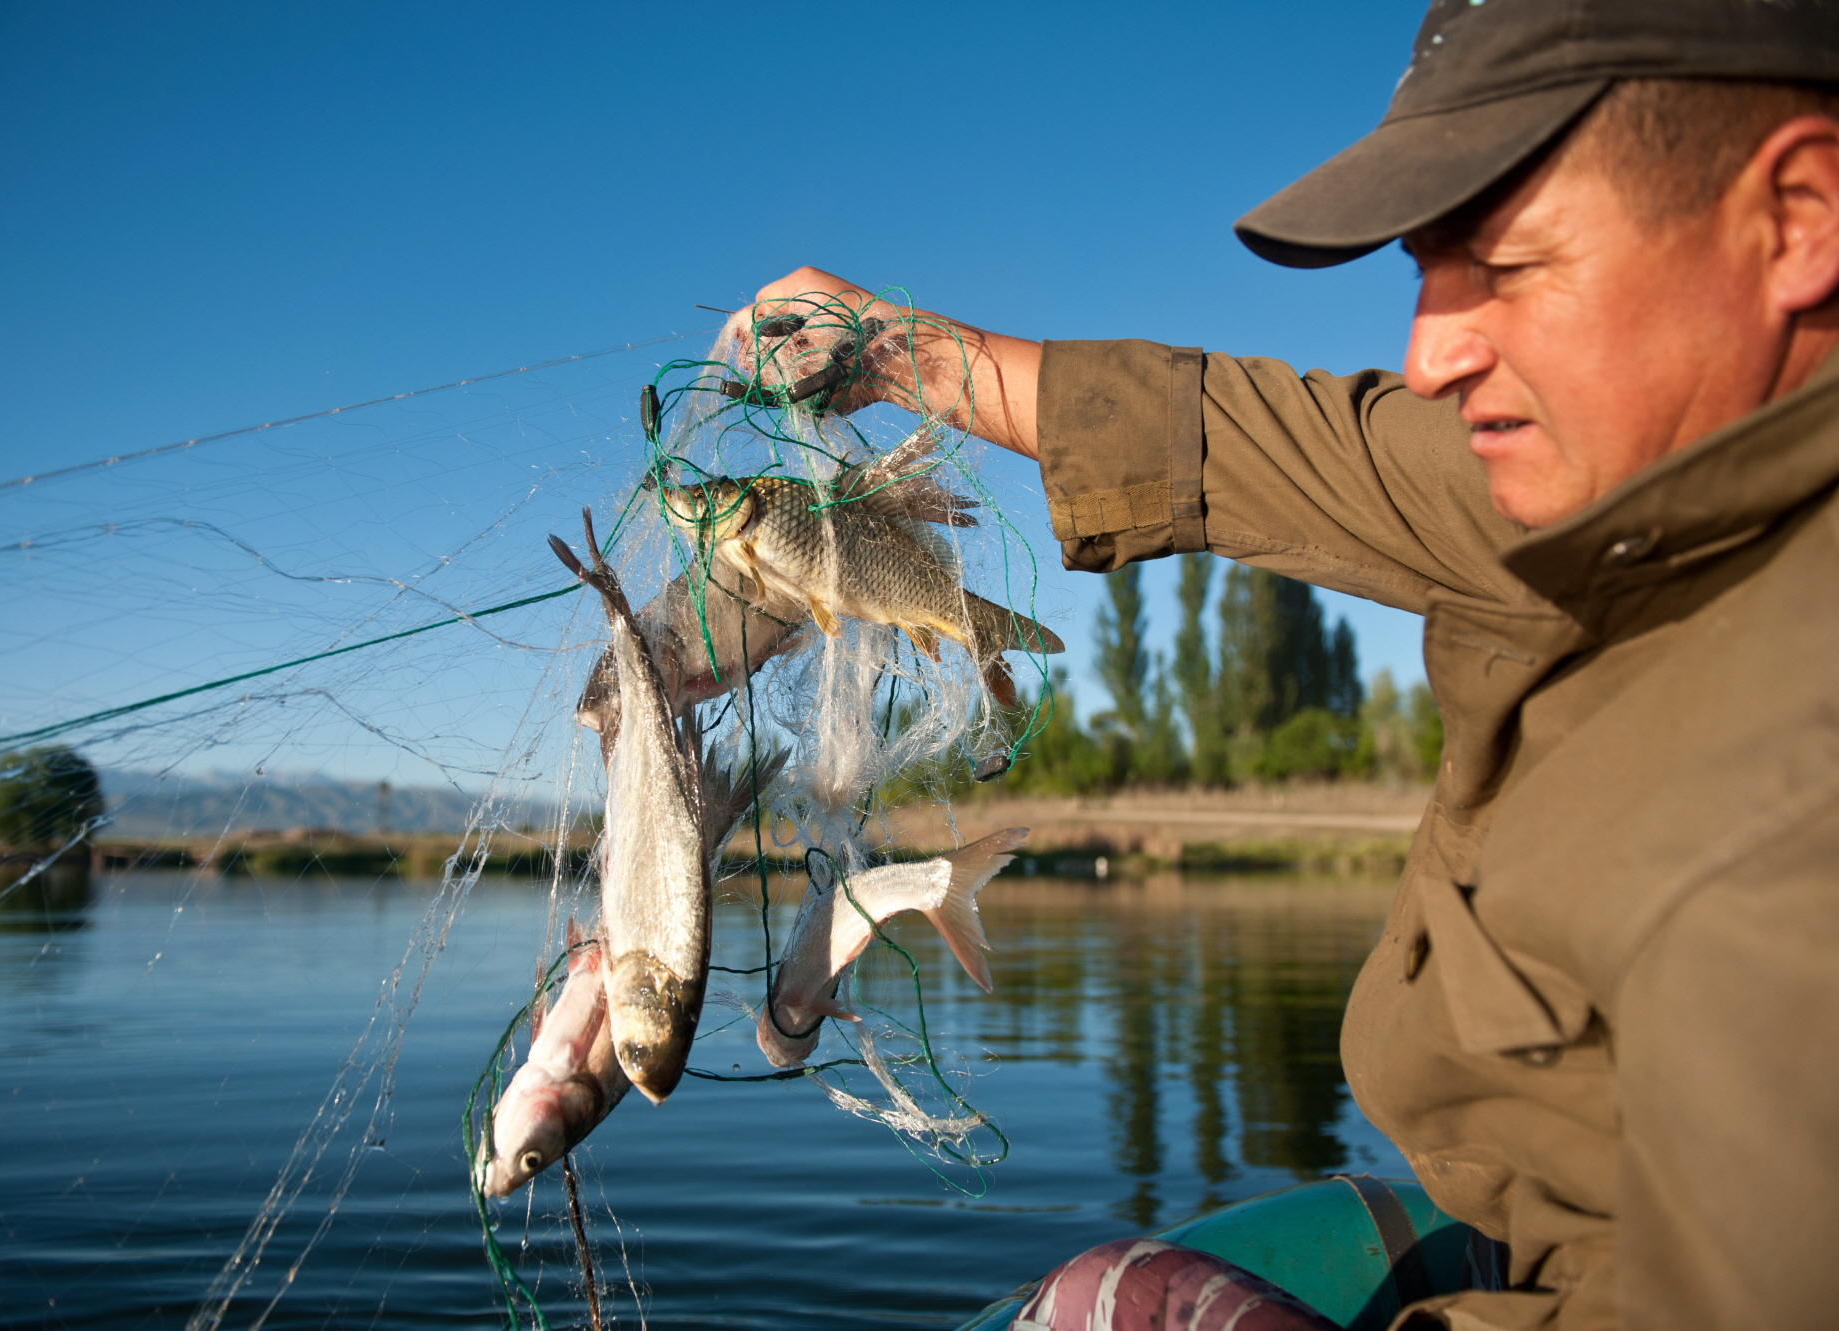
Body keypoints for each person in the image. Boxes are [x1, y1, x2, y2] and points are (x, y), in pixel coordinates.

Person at [725, 2, 1839, 1327]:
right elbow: (1256, 443)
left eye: (1509, 264)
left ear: (1797, 220)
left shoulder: (1791, 829)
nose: (1431, 351)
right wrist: (892, 347)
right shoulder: (1612, 464)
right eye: (1429, 268)